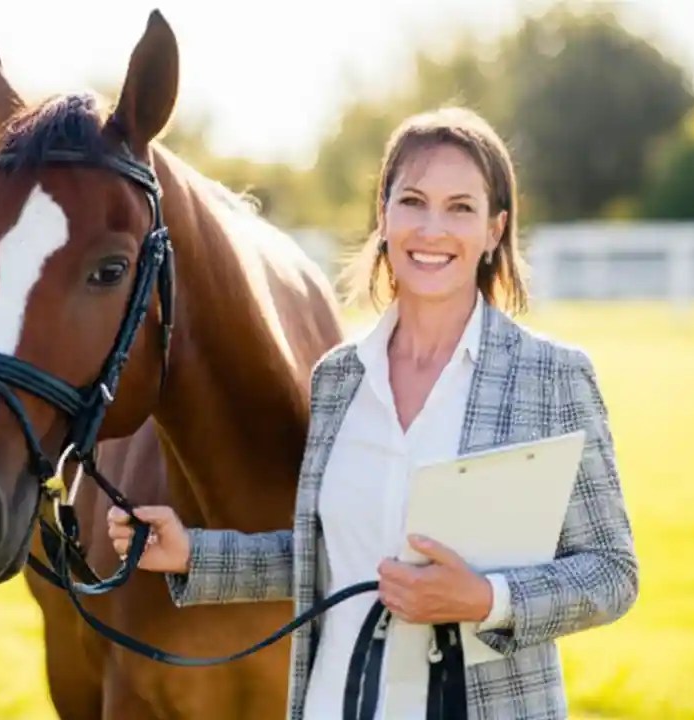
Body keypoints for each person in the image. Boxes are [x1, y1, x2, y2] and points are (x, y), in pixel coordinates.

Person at [106, 106, 638, 719]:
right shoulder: (338, 378)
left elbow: (611, 573)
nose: (432, 229)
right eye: (412, 201)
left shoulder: (552, 377)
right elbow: (330, 557)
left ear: (495, 230)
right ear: (384, 217)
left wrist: (486, 598)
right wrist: (192, 554)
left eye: (460, 208)